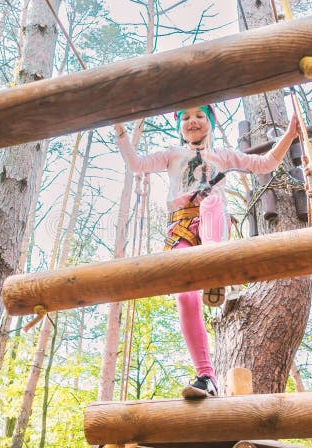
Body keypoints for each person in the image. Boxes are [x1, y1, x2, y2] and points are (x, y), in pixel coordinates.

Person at [114, 104, 298, 398]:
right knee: (185, 297)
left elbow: (264, 163)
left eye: (199, 116)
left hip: (212, 224)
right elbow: (136, 163)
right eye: (185, 118)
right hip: (181, 227)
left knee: (211, 202)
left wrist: (289, 134)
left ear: (210, 122)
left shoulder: (223, 155)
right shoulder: (172, 155)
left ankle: (213, 268)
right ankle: (206, 376)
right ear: (180, 127)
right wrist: (121, 130)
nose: (193, 122)